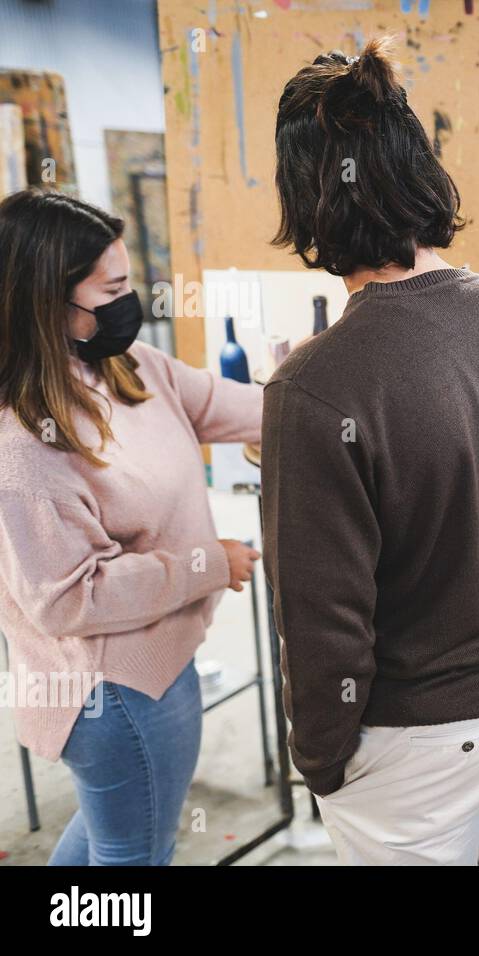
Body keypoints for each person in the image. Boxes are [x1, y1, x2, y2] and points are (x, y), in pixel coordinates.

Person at [261, 38, 479, 866]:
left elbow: (321, 611)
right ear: (421, 175)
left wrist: (323, 760)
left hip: (421, 734)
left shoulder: (315, 387)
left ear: (307, 199)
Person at [0, 188, 262, 865]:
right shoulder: (24, 445)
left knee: (108, 836)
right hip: (111, 693)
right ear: (47, 300)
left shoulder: (127, 367)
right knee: (136, 854)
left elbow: (235, 405)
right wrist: (207, 563)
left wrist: (328, 387)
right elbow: (67, 598)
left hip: (155, 666)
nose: (129, 302)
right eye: (111, 288)